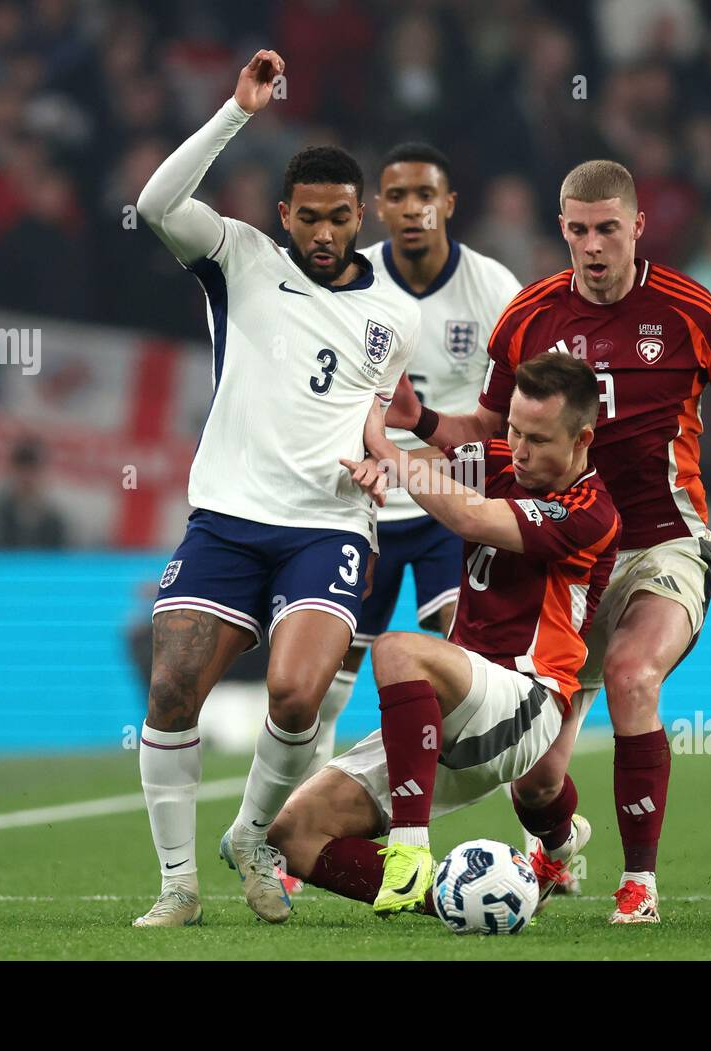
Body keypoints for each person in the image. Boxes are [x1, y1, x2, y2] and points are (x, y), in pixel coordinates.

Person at [385, 159, 711, 924]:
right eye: (577, 230)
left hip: (661, 546)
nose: (593, 246)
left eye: (608, 228)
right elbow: (493, 430)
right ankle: (557, 841)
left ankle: (639, 883)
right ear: (563, 229)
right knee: (534, 778)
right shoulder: (529, 316)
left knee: (636, 674)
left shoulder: (688, 309)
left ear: (638, 226)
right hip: (569, 558)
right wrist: (421, 422)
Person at [130, 50, 418, 927]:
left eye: (339, 219)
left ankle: (253, 834)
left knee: (298, 692)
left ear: (358, 215)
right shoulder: (241, 258)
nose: (323, 233)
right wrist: (237, 113)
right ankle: (178, 885)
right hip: (226, 517)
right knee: (173, 684)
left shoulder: (393, 317)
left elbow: (374, 420)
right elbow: (153, 206)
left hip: (327, 526)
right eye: (309, 218)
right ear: (283, 213)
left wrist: (382, 457)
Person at [268, 353, 620, 915]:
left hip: (526, 702)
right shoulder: (505, 459)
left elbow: (473, 517)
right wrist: (383, 461)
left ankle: (409, 853)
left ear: (582, 439)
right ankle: (458, 901)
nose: (520, 450)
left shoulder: (590, 512)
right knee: (293, 834)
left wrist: (389, 453)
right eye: (512, 430)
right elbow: (427, 460)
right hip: (458, 712)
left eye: (538, 439)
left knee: (396, 649)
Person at [304, 142, 522, 782]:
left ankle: (535, 833)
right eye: (396, 196)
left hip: (451, 511)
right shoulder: (351, 284)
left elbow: (511, 414)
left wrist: (420, 460)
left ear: (448, 204)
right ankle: (300, 821)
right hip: (361, 504)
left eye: (425, 195)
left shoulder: (494, 290)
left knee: (478, 665)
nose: (411, 209)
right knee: (329, 676)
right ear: (378, 208)